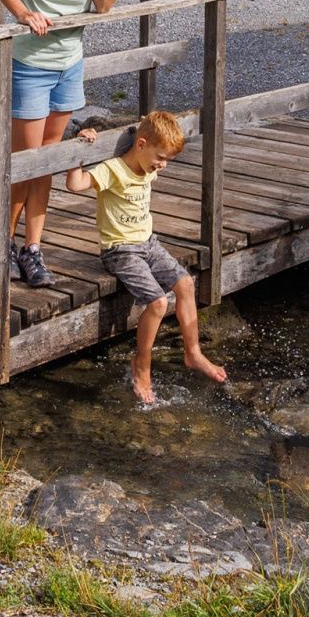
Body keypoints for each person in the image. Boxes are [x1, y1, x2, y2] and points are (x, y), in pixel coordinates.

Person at [0, 0, 152, 288]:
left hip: (69, 65)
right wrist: (24, 14)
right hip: (31, 64)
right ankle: (3, 245)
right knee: (26, 164)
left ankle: (33, 249)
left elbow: (104, 5)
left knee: (48, 162)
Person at [63, 110, 227, 404]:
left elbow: (151, 124)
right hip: (120, 250)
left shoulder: (147, 163)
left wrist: (149, 120)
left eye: (166, 160)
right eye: (160, 158)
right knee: (158, 302)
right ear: (140, 145)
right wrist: (79, 150)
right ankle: (142, 364)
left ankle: (193, 353)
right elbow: (75, 186)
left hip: (149, 244)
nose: (162, 166)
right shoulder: (112, 170)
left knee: (186, 283)